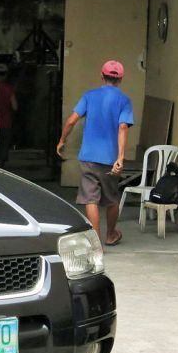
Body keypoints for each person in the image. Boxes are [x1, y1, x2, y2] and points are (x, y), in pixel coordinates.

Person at [56, 60, 133, 246]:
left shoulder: (89, 96)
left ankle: (96, 241)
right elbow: (123, 127)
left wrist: (62, 140)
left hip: (88, 156)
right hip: (110, 159)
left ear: (101, 76)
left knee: (90, 199)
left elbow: (72, 120)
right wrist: (120, 157)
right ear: (121, 79)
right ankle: (111, 234)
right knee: (112, 198)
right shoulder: (124, 100)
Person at [0, 63, 18, 168]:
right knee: (3, 147)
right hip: (5, 123)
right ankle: (0, 166)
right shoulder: (8, 89)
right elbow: (15, 106)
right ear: (5, 75)